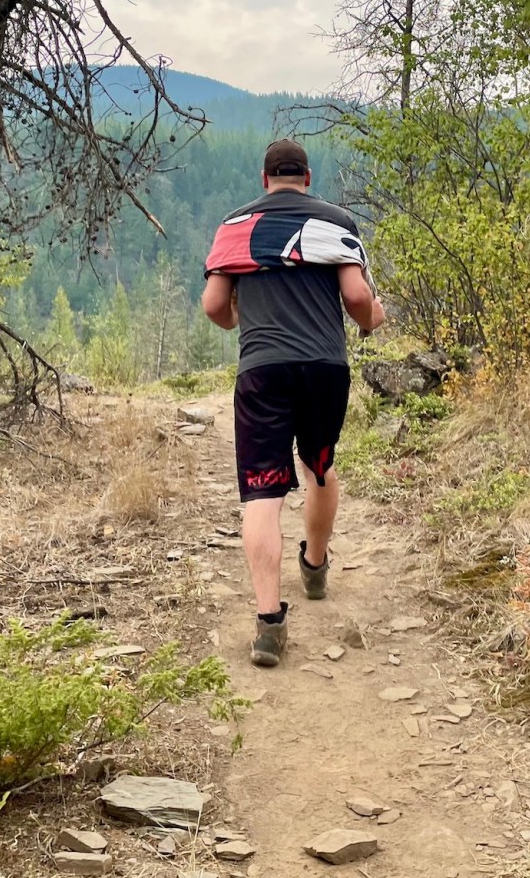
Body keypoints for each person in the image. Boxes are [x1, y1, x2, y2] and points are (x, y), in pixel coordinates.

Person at [201, 139, 385, 667]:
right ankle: (316, 565)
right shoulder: (335, 221)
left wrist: (237, 319)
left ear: (265, 180)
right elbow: (356, 297)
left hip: (262, 370)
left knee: (262, 496)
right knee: (319, 465)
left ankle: (268, 626)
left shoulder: (235, 226)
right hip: (325, 368)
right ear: (307, 177)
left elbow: (214, 305)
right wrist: (374, 318)